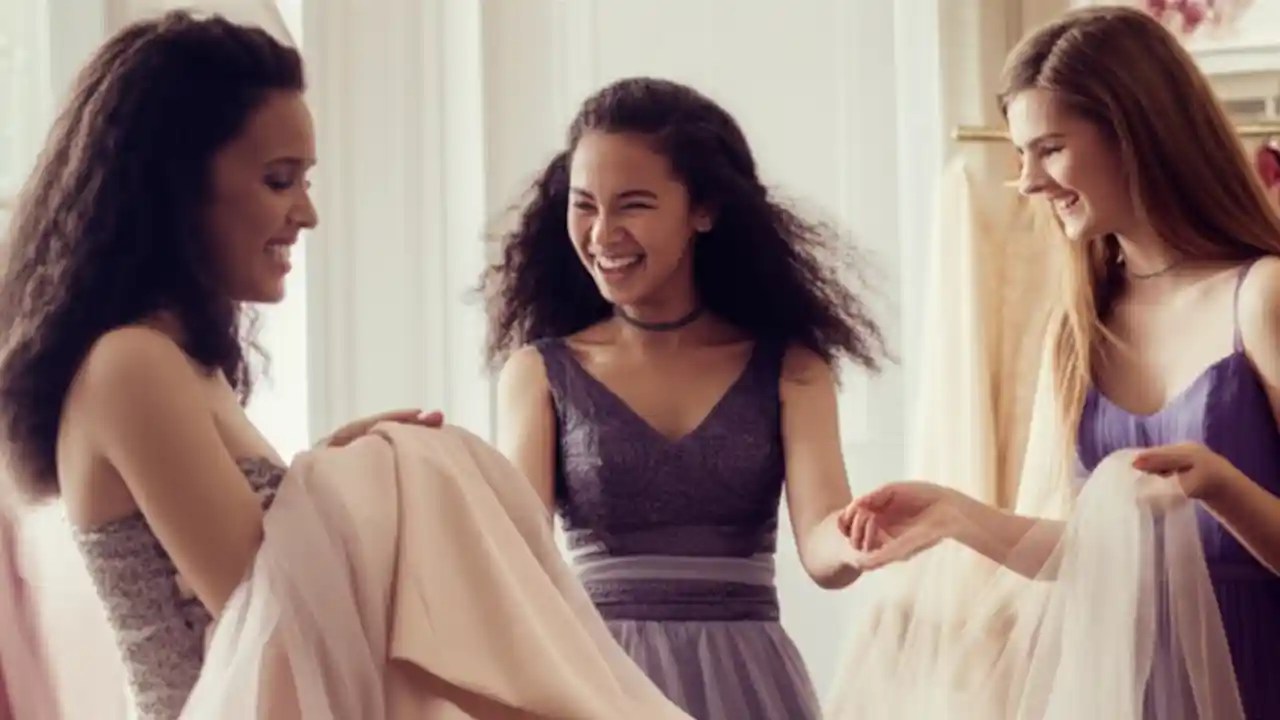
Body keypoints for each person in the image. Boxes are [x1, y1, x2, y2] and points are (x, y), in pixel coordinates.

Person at [843, 7, 1280, 718]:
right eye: (1020, 156)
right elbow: (1089, 556)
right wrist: (954, 515)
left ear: (1136, 134)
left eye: (1048, 148)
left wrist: (1223, 488)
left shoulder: (1263, 297)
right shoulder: (1078, 333)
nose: (1026, 181)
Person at [0, 12, 439, 719]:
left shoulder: (175, 364)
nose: (307, 214)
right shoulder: (130, 365)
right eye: (279, 180)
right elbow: (274, 625)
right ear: (176, 185)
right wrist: (347, 482)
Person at [482, 76, 885, 719]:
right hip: (597, 683)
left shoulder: (792, 368)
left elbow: (822, 547)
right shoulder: (539, 373)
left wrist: (862, 537)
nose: (602, 233)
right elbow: (518, 554)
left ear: (704, 210)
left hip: (748, 683)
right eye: (584, 204)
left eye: (633, 204)